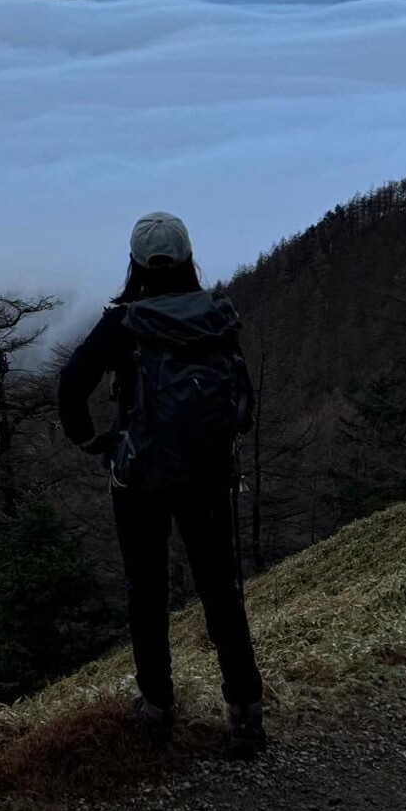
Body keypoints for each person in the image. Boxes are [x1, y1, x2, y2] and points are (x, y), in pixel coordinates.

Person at [57, 211, 265, 757]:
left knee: (146, 593)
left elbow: (71, 384)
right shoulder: (216, 315)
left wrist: (89, 441)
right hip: (208, 474)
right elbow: (242, 402)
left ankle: (157, 708)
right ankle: (245, 715)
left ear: (135, 265)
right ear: (188, 258)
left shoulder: (124, 321)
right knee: (220, 588)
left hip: (141, 478)